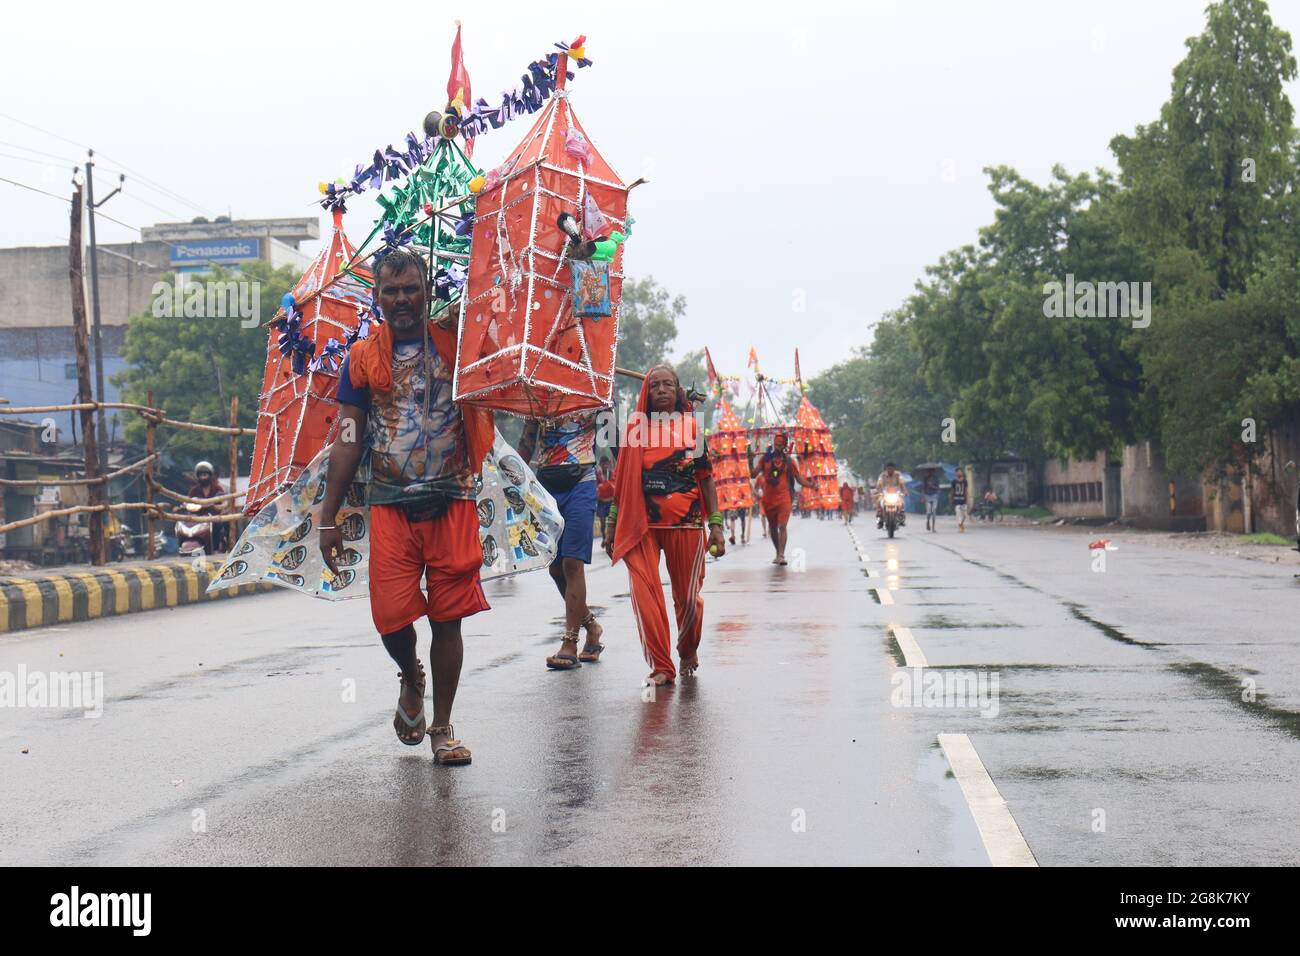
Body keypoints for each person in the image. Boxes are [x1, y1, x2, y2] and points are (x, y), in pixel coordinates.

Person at [320, 247, 494, 765]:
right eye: (391, 291)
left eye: (411, 289)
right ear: (376, 297)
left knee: (449, 617)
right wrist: (326, 516)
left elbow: (507, 312)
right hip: (390, 503)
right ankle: (410, 673)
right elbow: (348, 437)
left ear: (427, 291)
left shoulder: (456, 342)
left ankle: (443, 728)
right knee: (392, 618)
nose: (402, 299)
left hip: (452, 497)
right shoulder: (361, 359)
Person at [605, 365, 725, 685]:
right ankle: (661, 665)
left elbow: (706, 478)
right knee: (645, 594)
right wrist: (611, 524)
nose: (661, 390)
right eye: (655, 385)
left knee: (687, 598)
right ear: (646, 391)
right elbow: (623, 481)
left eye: (667, 385)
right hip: (642, 526)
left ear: (677, 392)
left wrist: (716, 525)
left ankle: (687, 649)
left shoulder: (692, 427)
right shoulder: (635, 428)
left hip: (686, 524)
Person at [519, 411, 605, 669]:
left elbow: (615, 442)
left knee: (571, 564)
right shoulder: (537, 396)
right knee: (555, 568)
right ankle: (592, 626)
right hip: (544, 486)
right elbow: (526, 442)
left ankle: (570, 643)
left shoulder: (595, 393)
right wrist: (512, 478)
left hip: (582, 481)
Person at [750, 432, 809, 565]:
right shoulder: (765, 459)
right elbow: (753, 475)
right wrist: (749, 459)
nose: (777, 447)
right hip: (768, 500)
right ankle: (778, 552)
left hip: (784, 498)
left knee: (782, 526)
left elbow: (799, 479)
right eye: (776, 444)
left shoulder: (789, 461)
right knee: (773, 528)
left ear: (785, 446)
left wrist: (811, 484)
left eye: (780, 445)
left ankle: (781, 555)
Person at [188, 461, 227, 552]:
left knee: (220, 526)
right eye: (201, 475)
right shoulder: (194, 489)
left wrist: (219, 507)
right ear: (198, 476)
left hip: (214, 516)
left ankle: (218, 547)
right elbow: (187, 501)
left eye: (205, 474)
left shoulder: (217, 488)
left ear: (210, 475)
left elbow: (224, 502)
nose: (203, 477)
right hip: (198, 517)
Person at [875, 462, 907, 530]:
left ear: (894, 469)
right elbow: (879, 484)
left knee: (902, 502)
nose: (890, 470)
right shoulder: (882, 475)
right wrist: (878, 491)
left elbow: (902, 483)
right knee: (878, 501)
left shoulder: (898, 474)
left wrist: (905, 491)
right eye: (888, 469)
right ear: (886, 469)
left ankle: (901, 517)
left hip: (896, 493)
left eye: (891, 469)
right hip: (885, 494)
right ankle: (879, 518)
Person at [921, 468, 941, 533]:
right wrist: (923, 496)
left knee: (934, 510)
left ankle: (933, 527)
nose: (931, 472)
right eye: (929, 471)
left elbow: (938, 488)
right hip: (927, 496)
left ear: (934, 472)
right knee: (929, 511)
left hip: (934, 495)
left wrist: (932, 486)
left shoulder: (936, 479)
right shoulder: (925, 478)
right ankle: (927, 521)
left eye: (932, 471)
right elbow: (923, 488)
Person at [951, 466, 969, 532]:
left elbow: (966, 491)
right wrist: (952, 499)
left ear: (962, 473)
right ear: (955, 473)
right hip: (956, 500)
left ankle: (961, 524)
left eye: (960, 471)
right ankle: (960, 525)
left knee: (964, 515)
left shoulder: (965, 481)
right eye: (957, 472)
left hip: (963, 500)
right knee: (958, 512)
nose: (959, 473)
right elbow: (952, 491)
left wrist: (967, 500)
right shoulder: (953, 482)